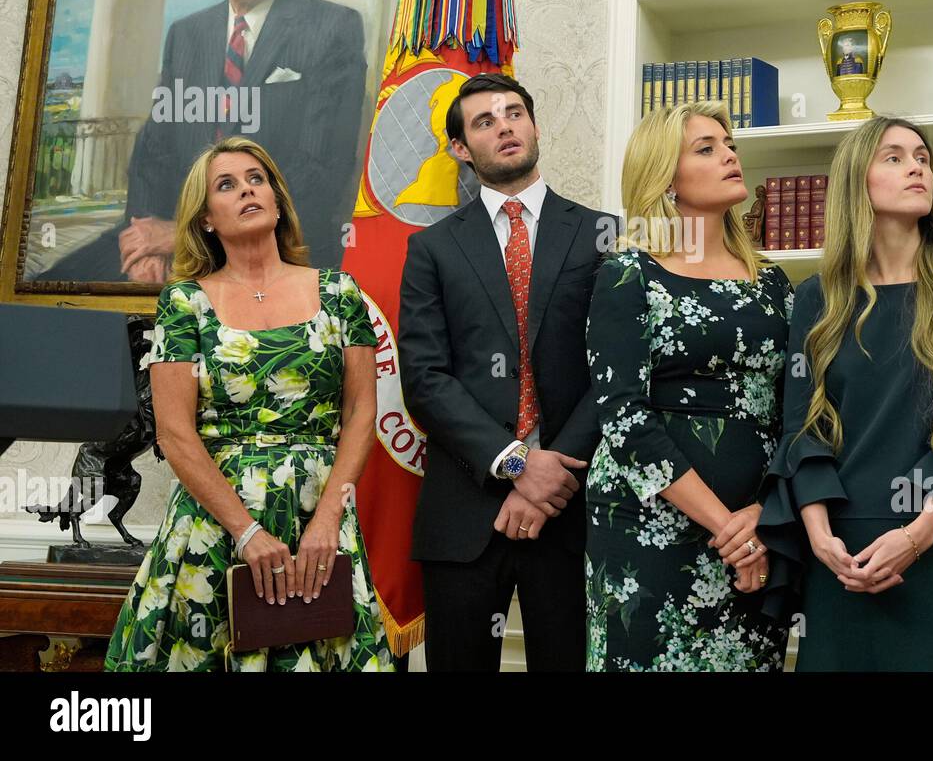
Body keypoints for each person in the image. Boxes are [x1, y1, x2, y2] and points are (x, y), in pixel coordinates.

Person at [757, 117, 933, 670]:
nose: (916, 166)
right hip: (840, 552)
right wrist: (818, 537)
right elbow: (801, 430)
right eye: (893, 157)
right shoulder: (816, 298)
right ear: (855, 182)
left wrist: (916, 536)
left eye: (922, 157)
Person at [104, 137, 393, 671]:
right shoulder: (184, 302)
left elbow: (360, 415)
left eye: (256, 179)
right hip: (215, 530)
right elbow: (173, 434)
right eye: (227, 185)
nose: (246, 190)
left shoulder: (339, 293)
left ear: (278, 200)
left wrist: (329, 516)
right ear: (207, 219)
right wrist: (247, 531)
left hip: (319, 524)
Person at [398, 73, 613, 671]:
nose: (505, 127)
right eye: (485, 121)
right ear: (461, 149)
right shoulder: (432, 248)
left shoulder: (601, 233)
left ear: (535, 124)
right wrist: (518, 464)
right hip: (465, 511)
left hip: (574, 510)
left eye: (514, 113)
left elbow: (617, 370)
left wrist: (553, 473)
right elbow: (425, 377)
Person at [42, 0, 367, 283]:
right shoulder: (186, 34)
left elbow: (318, 170)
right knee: (58, 285)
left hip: (271, 246)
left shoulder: (332, 29)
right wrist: (144, 241)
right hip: (168, 237)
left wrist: (185, 237)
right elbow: (152, 154)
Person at [584, 101, 792, 671]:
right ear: (664, 176)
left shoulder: (773, 282)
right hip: (647, 526)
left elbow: (799, 411)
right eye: (706, 147)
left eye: (729, 145)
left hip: (757, 531)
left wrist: (763, 516)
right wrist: (726, 526)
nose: (729, 154)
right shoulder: (628, 272)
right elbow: (622, 416)